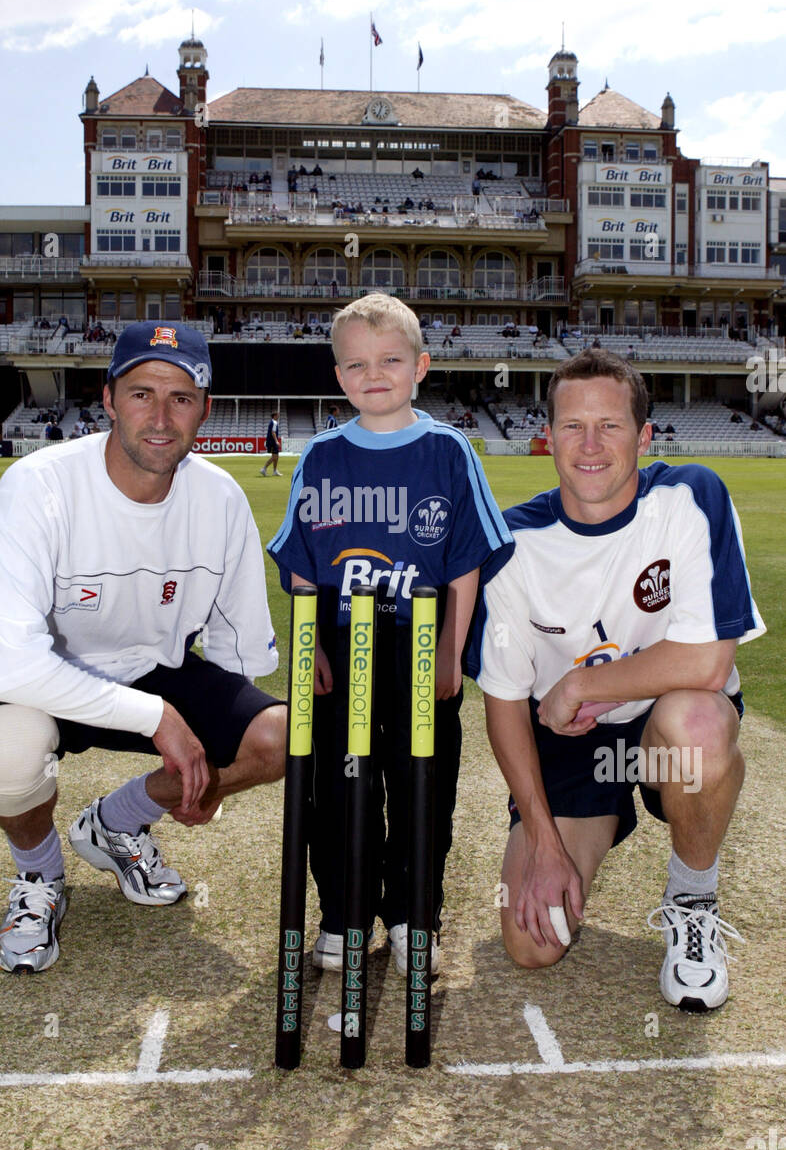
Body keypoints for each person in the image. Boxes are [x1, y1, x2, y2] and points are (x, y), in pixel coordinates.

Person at [0, 321, 285, 973]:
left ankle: (117, 822)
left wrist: (215, 773)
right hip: (29, 672)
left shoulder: (221, 500)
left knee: (284, 736)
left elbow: (241, 658)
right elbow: (11, 661)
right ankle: (41, 878)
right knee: (10, 754)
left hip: (148, 667)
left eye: (181, 398)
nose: (160, 417)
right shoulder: (38, 485)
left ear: (205, 410)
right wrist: (158, 720)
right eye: (141, 394)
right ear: (108, 400)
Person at [469, 349, 765, 1011]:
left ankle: (692, 901)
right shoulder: (514, 546)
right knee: (533, 942)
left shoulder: (692, 497)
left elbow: (709, 663)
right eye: (573, 426)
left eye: (610, 425)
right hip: (576, 749)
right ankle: (560, 837)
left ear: (644, 436)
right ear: (548, 437)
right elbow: (505, 704)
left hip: (666, 726)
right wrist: (544, 841)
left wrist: (580, 686)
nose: (591, 444)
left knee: (699, 719)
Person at [268, 293, 514, 974]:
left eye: (389, 361)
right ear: (339, 374)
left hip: (420, 640)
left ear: (420, 366)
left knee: (420, 790)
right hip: (343, 644)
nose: (372, 375)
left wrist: (450, 655)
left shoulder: (449, 451)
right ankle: (344, 916)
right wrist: (307, 649)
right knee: (337, 788)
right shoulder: (319, 457)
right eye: (355, 364)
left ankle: (413, 916)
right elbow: (301, 571)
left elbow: (465, 563)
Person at [260, 410, 281, 475]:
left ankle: (274, 471)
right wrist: (276, 441)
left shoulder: (273, 422)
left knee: (276, 456)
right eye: (277, 415)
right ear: (274, 416)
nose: (278, 416)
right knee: (274, 457)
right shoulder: (274, 422)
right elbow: (273, 432)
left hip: (271, 441)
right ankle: (264, 468)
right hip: (272, 442)